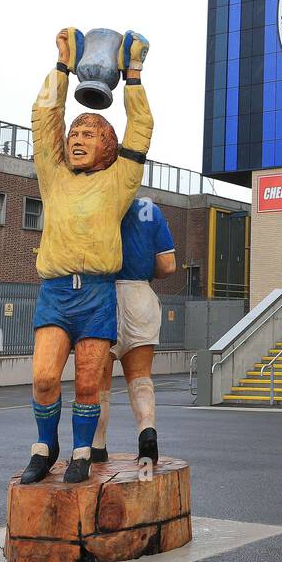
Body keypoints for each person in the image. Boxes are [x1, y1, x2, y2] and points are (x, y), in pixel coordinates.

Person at [21, 28, 153, 486]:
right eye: (75, 131)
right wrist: (61, 66)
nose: (78, 138)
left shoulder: (119, 182)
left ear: (108, 146)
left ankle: (81, 450)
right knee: (43, 378)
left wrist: (132, 75)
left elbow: (141, 129)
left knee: (89, 382)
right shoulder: (52, 177)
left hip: (97, 295)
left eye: (90, 132)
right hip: (55, 293)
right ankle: (44, 444)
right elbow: (43, 119)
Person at [91, 196, 178, 465]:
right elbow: (168, 265)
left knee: (98, 378)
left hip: (103, 293)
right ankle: (146, 432)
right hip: (140, 295)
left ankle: (96, 446)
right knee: (140, 376)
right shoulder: (150, 209)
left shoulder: (96, 200)